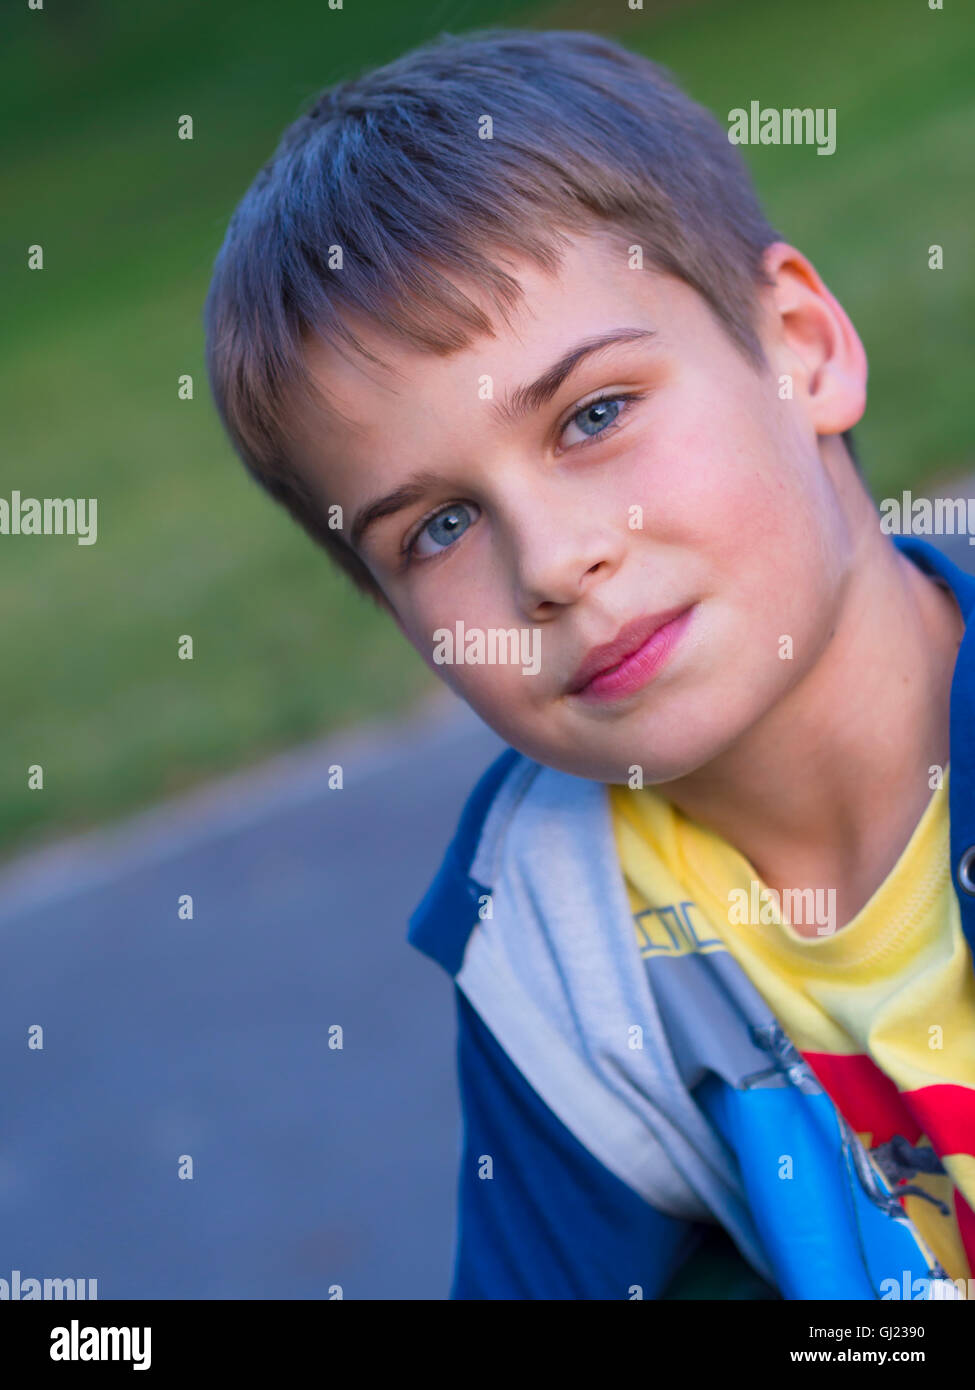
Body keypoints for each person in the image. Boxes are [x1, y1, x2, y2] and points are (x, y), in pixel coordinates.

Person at [203, 28, 975, 1299]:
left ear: (801, 346)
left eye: (594, 414)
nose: (551, 563)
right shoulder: (550, 928)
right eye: (438, 527)